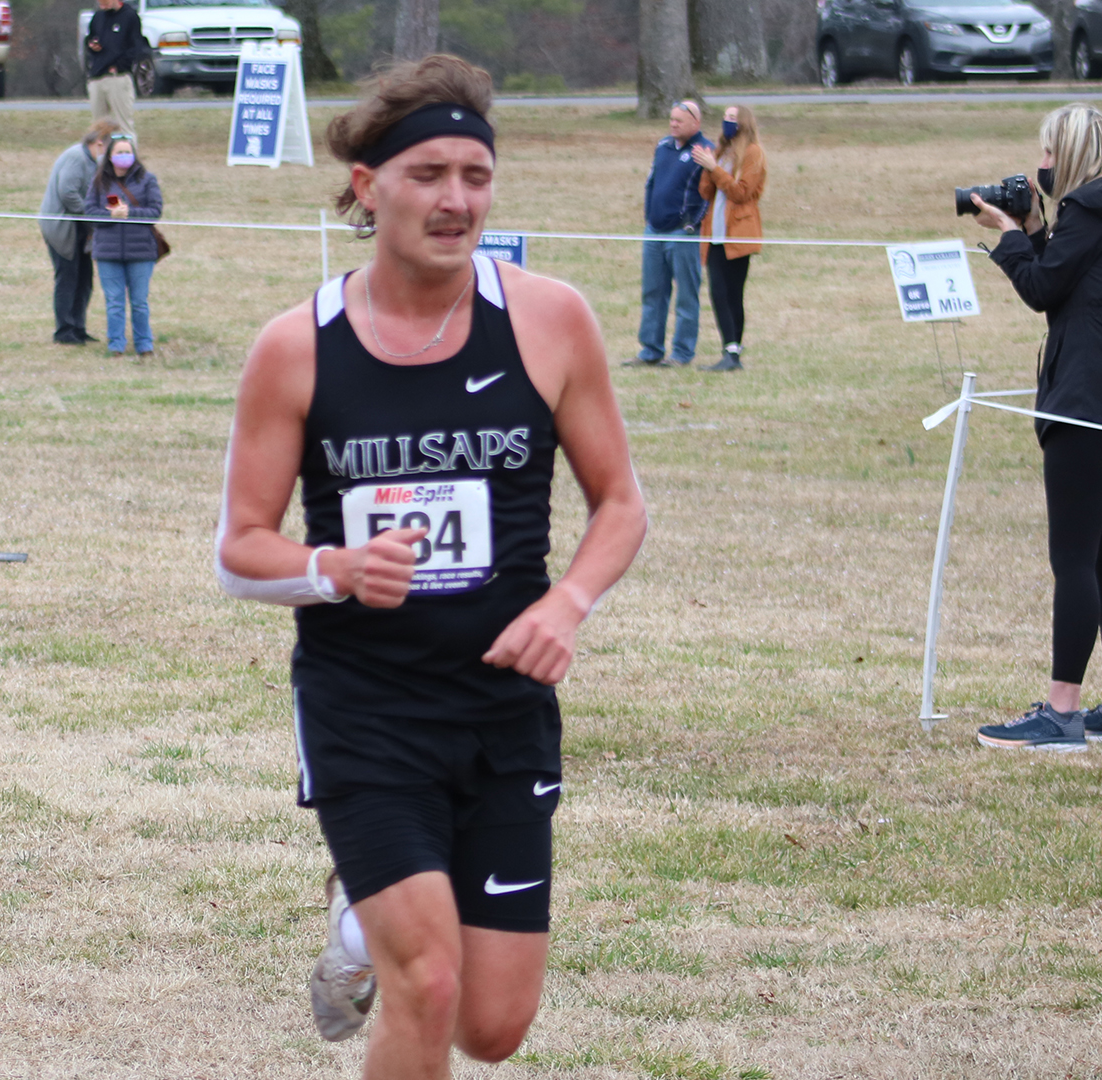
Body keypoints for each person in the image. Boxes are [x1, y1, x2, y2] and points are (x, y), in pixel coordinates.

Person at [215, 55, 646, 1078]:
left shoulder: (549, 321)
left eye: (476, 175)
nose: (457, 200)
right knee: (430, 983)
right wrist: (335, 567)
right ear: (369, 187)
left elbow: (621, 504)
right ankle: (383, 914)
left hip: (502, 707)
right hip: (365, 708)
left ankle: (359, 921)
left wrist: (568, 605)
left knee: (491, 1028)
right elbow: (240, 547)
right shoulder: (298, 347)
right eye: (428, 175)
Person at [969, 102, 1102, 753]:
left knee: (1074, 557)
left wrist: (1009, 234)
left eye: (1047, 154)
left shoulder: (1085, 213)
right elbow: (1076, 286)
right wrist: (1032, 230)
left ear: (1071, 156)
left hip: (1085, 403)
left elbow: (1043, 290)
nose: (1040, 166)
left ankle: (1062, 711)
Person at [625, 100, 712, 368]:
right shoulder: (663, 146)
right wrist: (649, 215)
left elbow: (709, 194)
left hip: (682, 234)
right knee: (653, 292)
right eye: (671, 119)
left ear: (695, 123)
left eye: (679, 121)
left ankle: (682, 353)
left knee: (686, 295)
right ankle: (650, 349)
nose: (673, 124)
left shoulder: (704, 151)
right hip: (654, 231)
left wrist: (692, 223)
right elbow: (651, 182)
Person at [692, 104, 765, 373]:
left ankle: (732, 353)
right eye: (725, 117)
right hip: (715, 234)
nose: (727, 121)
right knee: (717, 292)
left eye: (732, 118)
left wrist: (715, 169)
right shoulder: (722, 151)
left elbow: (741, 193)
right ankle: (729, 349)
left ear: (744, 122)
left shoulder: (753, 153)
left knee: (732, 293)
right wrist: (708, 165)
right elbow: (705, 192)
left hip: (739, 234)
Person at [82, 134, 162, 358]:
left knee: (139, 302)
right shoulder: (98, 181)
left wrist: (130, 213)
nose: (124, 156)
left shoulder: (147, 179)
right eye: (119, 152)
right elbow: (90, 214)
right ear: (110, 156)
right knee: (114, 302)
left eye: (128, 152)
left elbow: (154, 212)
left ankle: (144, 345)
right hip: (108, 252)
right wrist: (112, 217)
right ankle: (116, 345)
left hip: (141, 252)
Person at [41, 120, 115, 345]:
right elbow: (68, 192)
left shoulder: (93, 162)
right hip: (64, 227)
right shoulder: (77, 157)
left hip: (81, 226)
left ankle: (79, 328)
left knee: (85, 279)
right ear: (100, 143)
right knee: (68, 277)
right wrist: (92, 215)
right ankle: (64, 330)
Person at [84, 0, 140, 135]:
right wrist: (92, 46)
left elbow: (136, 47)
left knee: (123, 125)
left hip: (117, 77)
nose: (102, 3)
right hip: (97, 76)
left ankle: (127, 154)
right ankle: (101, 155)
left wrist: (119, 66)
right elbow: (90, 39)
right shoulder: (98, 17)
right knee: (98, 127)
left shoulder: (129, 16)